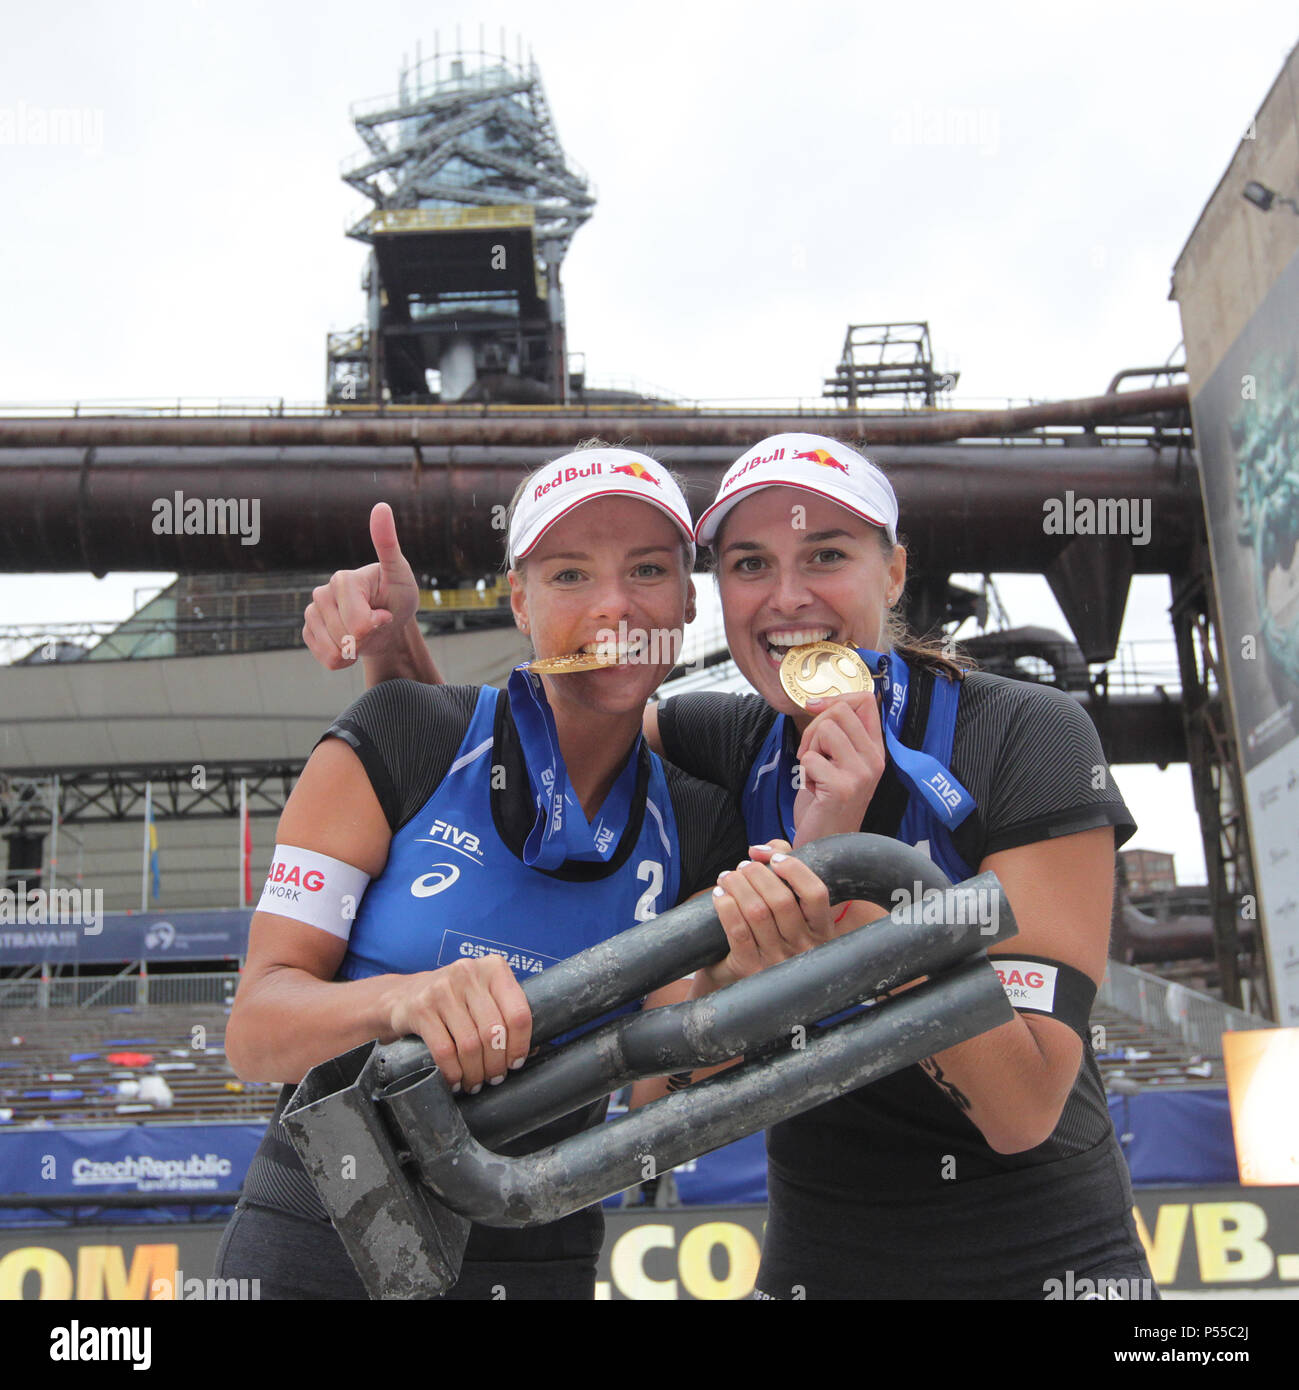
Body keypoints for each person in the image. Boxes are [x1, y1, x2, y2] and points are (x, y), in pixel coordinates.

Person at [312, 433, 1157, 1300]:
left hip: (1044, 1264)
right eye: (750, 564)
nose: (787, 598)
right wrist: (392, 646)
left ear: (894, 572)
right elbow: (508, 750)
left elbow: (1023, 1110)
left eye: (825, 554)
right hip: (816, 1263)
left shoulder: (1026, 735)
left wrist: (840, 890)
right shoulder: (725, 741)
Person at [217, 447, 785, 1300]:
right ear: (518, 599)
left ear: (686, 598)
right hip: (325, 1226)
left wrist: (749, 972)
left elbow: (664, 1087)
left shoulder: (699, 818)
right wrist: (400, 1002)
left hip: (540, 1251)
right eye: (567, 574)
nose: (613, 605)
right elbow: (256, 1030)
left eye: (646, 569)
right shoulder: (403, 730)